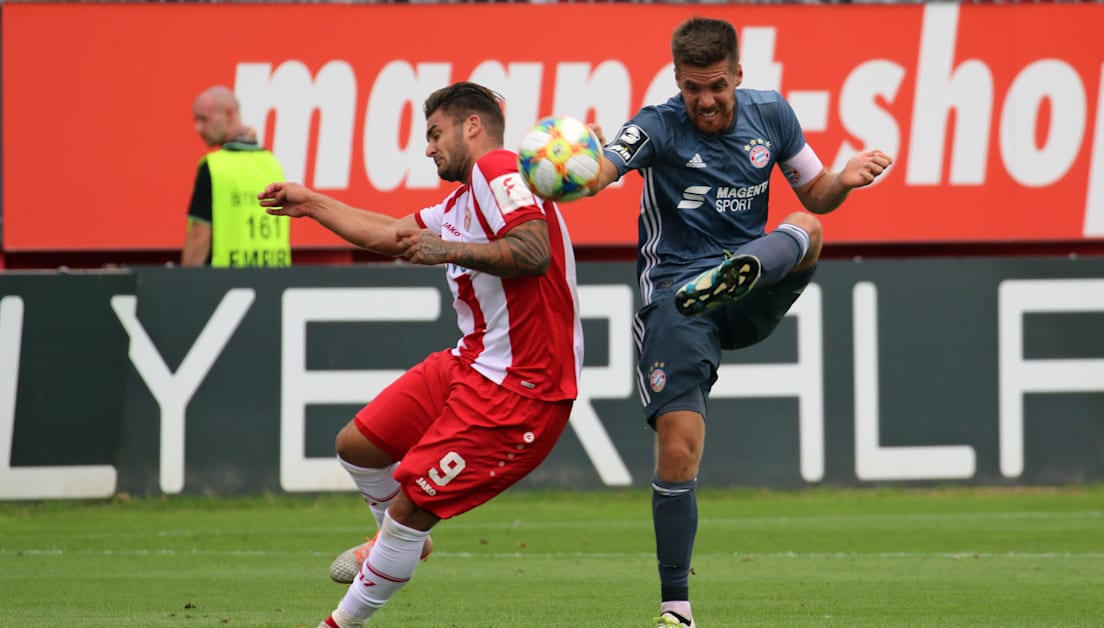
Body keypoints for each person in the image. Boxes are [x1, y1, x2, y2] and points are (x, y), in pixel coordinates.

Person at [586, 17, 894, 628]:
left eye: (717, 86)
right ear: (677, 79)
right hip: (677, 297)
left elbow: (818, 192)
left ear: (738, 76)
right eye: (692, 87)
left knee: (808, 226)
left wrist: (845, 180)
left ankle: (739, 271)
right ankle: (677, 607)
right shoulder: (655, 125)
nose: (704, 100)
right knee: (678, 448)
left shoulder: (771, 114)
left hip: (744, 285)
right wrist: (583, 158)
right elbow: (600, 175)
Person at [258, 82, 583, 628]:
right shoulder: (461, 201)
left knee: (409, 509)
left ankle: (346, 613)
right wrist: (312, 204)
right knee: (357, 447)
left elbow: (533, 252)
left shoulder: (498, 168)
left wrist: (448, 250)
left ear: (472, 126)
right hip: (471, 364)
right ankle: (398, 542)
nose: (428, 148)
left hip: (521, 388)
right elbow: (390, 234)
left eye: (435, 134)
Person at [183, 85, 290, 267]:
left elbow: (199, 236)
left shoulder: (214, 167)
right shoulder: (272, 162)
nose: (198, 128)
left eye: (204, 119)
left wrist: (183, 280)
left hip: (225, 279)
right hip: (275, 276)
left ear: (229, 114)